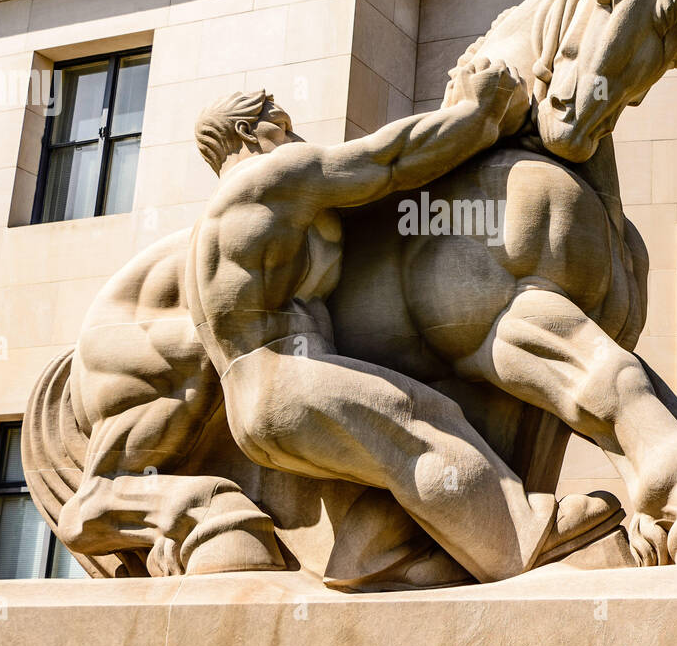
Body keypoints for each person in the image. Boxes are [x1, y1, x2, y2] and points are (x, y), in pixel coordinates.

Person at [184, 61, 623, 584]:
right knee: (423, 420)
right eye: (281, 124)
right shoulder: (270, 175)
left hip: (256, 401)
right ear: (247, 134)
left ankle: (373, 559)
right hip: (288, 377)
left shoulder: (210, 227)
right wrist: (475, 112)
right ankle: (524, 539)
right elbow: (386, 162)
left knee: (396, 449)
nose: (296, 136)